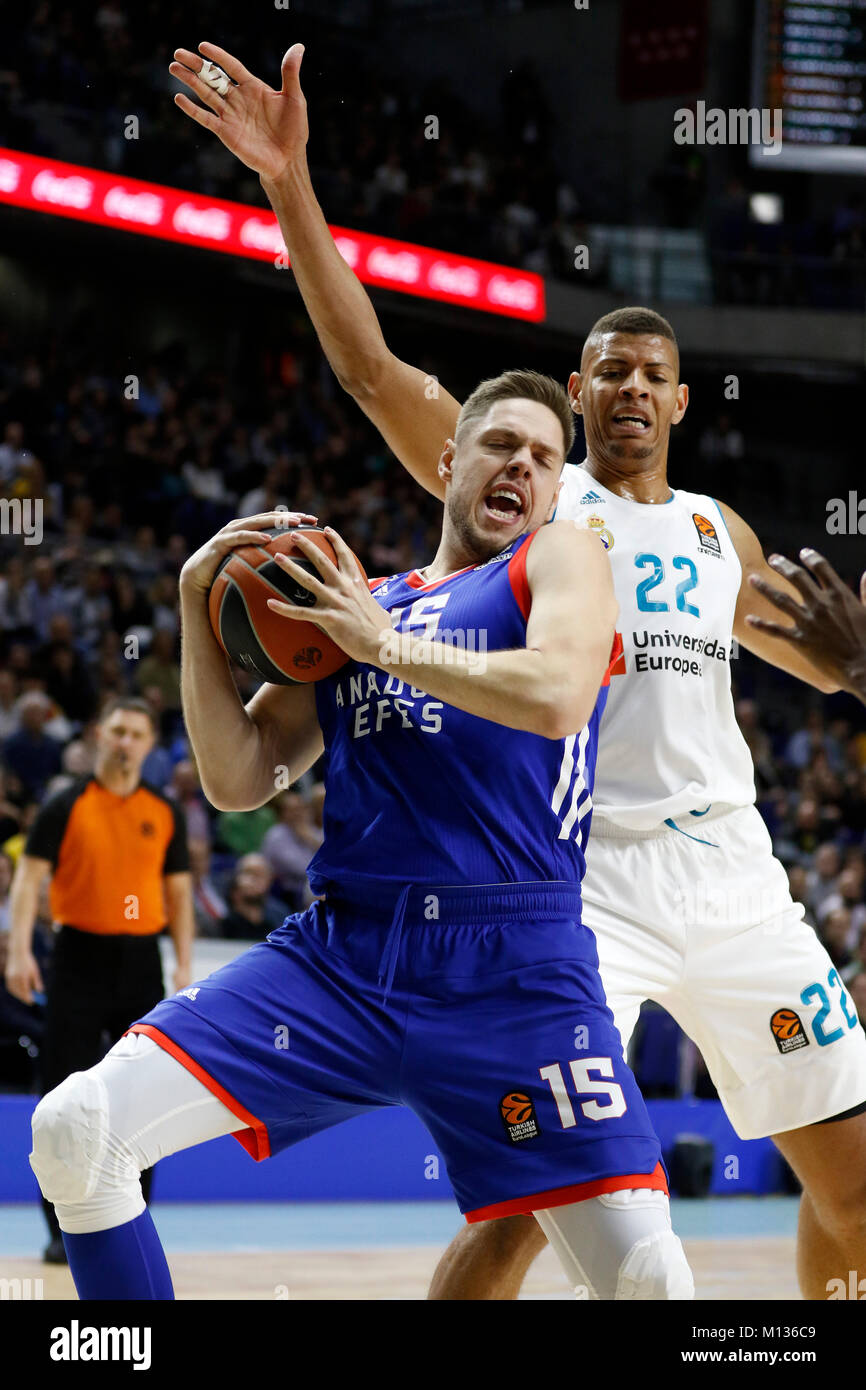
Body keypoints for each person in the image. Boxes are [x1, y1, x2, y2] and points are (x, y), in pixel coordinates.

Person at [166, 41, 866, 1300]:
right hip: (580, 885)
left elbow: (822, 668)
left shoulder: (719, 532)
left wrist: (855, 669)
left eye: (653, 374)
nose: (632, 388)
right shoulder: (537, 497)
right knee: (531, 1213)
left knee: (852, 1181)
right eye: (609, 371)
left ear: (681, 401)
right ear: (577, 394)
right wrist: (288, 184)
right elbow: (369, 369)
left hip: (732, 873)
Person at [28, 379, 692, 1302]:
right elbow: (238, 778)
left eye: (545, 458)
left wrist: (385, 647)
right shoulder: (355, 606)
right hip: (345, 957)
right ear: (449, 463)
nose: (523, 467)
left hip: (515, 968)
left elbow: (556, 695)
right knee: (76, 1130)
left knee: (650, 1279)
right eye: (501, 445)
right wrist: (194, 605)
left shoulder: (559, 558)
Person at [5, 696, 193, 1263]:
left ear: (150, 744)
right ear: (99, 735)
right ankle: (60, 1231)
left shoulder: (163, 809)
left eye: (136, 734)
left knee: (143, 1094)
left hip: (140, 962)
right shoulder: (66, 804)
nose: (125, 742)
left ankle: (132, 1222)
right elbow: (28, 880)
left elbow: (179, 892)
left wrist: (184, 964)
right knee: (62, 1096)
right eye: (117, 731)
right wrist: (19, 951)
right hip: (77, 958)